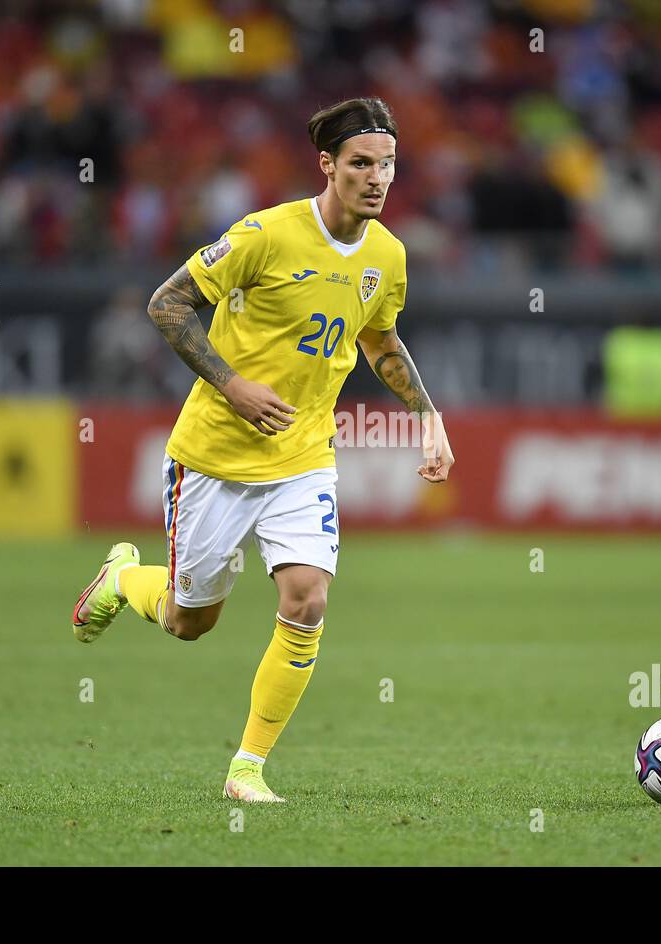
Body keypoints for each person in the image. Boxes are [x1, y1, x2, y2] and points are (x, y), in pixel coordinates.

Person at [70, 97, 454, 802]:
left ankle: (247, 768)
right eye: (361, 163)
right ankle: (124, 580)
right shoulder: (265, 234)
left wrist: (427, 416)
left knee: (306, 600)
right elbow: (167, 304)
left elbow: (380, 341)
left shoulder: (387, 256)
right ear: (327, 166)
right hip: (213, 454)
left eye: (388, 165)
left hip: (304, 455)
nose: (376, 178)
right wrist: (233, 383)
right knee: (191, 622)